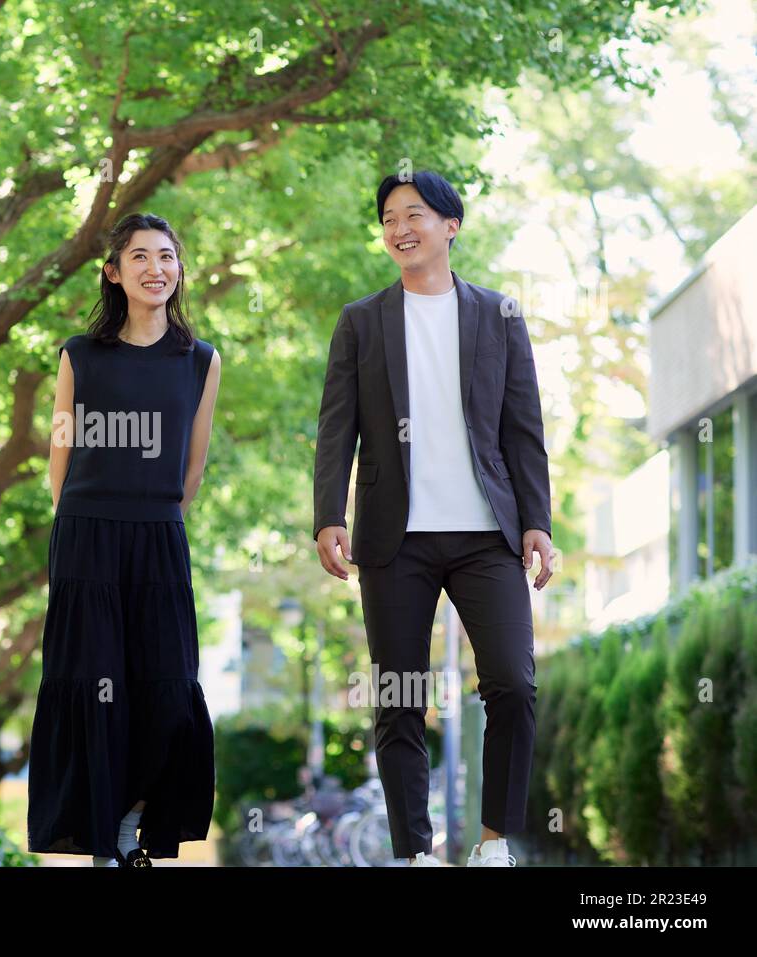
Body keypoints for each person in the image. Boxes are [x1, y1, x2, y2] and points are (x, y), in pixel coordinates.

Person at [312, 170, 556, 867]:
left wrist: (537, 520)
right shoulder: (361, 321)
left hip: (488, 534)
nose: (399, 228)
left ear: (451, 225)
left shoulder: (499, 314)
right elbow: (337, 429)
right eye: (389, 217)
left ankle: (494, 841)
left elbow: (522, 427)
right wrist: (329, 512)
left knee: (512, 679)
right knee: (400, 697)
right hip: (395, 538)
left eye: (414, 213)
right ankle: (415, 852)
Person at [26, 212, 221, 867]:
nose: (155, 268)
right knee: (93, 683)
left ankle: (140, 809)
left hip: (159, 537)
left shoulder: (200, 360)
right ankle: (104, 836)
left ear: (179, 268)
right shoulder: (79, 355)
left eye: (166, 256)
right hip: (85, 538)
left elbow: (190, 471)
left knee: (168, 688)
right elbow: (61, 456)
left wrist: (153, 518)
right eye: (139, 256)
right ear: (114, 272)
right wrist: (76, 537)